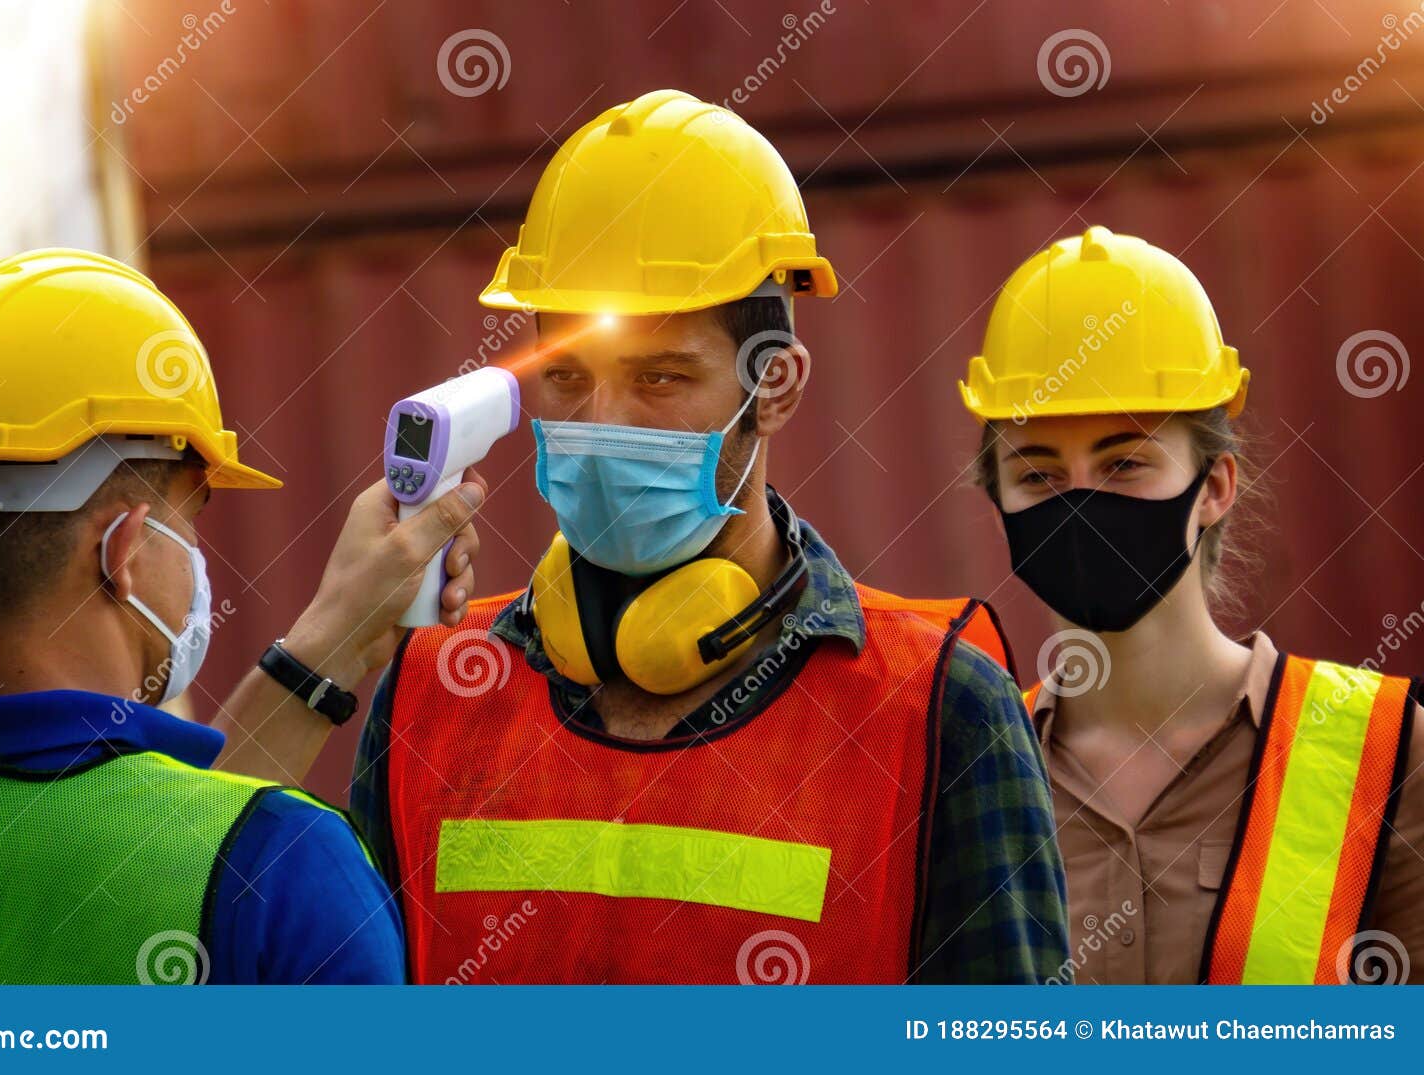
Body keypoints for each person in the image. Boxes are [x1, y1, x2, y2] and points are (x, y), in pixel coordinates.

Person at [341, 89, 1067, 983]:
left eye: (658, 376)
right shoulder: (430, 689)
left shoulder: (940, 711)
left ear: (778, 386)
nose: (602, 423)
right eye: (567, 376)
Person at [0, 249, 484, 984]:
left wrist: (328, 648)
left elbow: (142, 841)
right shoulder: (291, 868)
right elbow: (189, 857)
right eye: (192, 516)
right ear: (126, 549)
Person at [960, 225, 1423, 984]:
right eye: (1039, 474)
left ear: (1214, 486)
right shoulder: (969, 775)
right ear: (999, 502)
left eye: (1125, 461)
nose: (1080, 502)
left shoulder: (1387, 752)